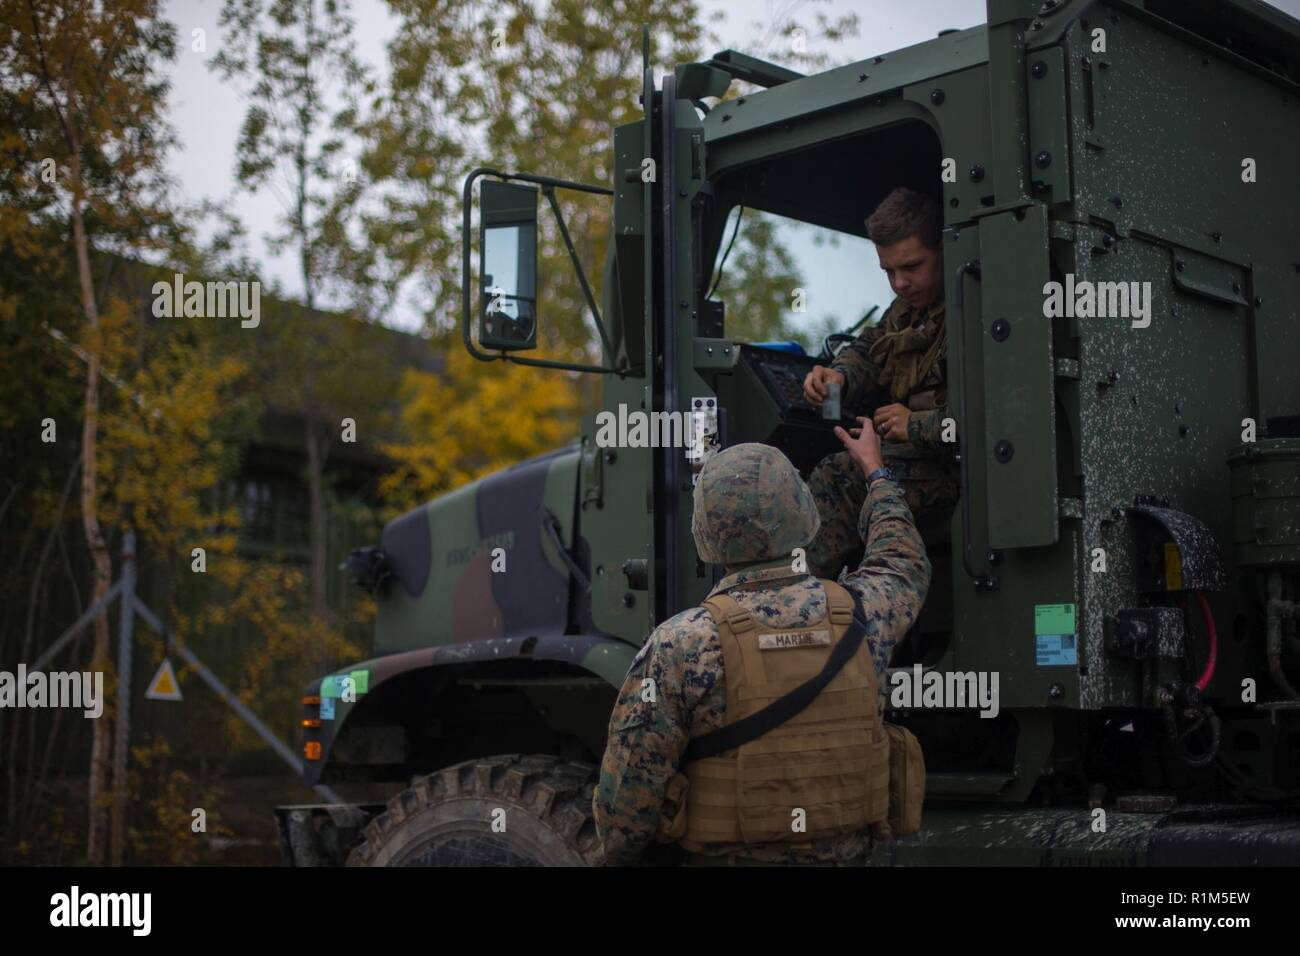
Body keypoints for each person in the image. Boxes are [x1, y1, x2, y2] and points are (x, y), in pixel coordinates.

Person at [592, 422, 929, 866]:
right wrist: (876, 474)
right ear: (806, 515)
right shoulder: (866, 614)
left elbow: (624, 822)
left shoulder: (680, 645)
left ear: (705, 536)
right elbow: (903, 560)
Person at [802, 186, 958, 580]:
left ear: (945, 249)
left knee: (839, 477)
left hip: (958, 469)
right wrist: (838, 375)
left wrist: (915, 424)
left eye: (912, 266)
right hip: (924, 463)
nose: (900, 282)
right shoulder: (909, 310)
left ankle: (792, 605)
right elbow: (870, 350)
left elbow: (999, 423)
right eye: (888, 271)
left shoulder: (974, 310)